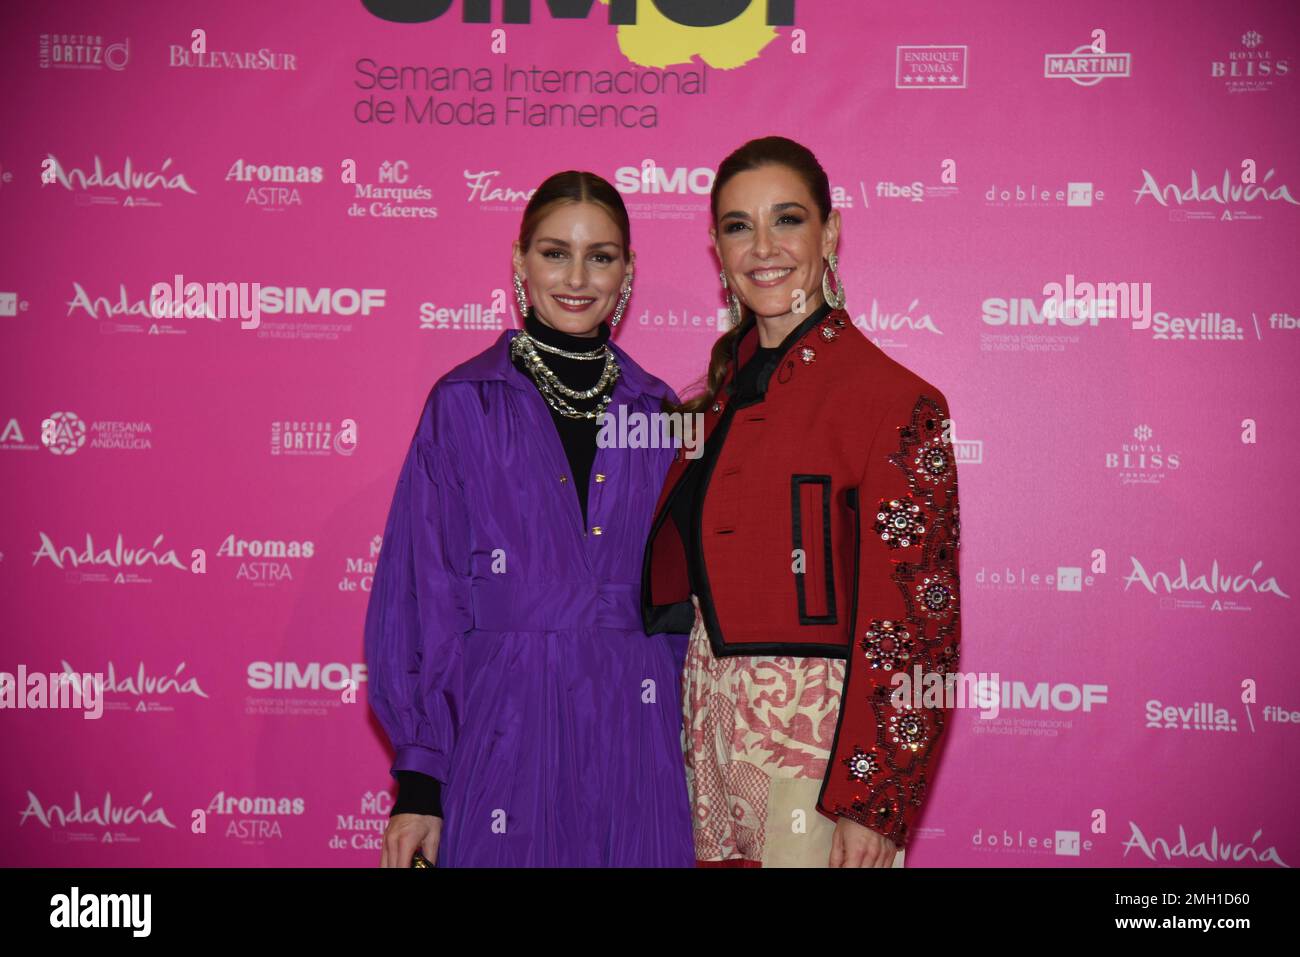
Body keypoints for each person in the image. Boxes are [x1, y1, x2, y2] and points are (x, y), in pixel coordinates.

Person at [642, 136, 962, 868]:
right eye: (737, 225)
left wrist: (877, 799)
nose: (763, 247)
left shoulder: (896, 401)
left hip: (820, 754)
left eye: (786, 219)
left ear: (832, 232)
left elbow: (920, 623)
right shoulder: (717, 402)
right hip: (712, 740)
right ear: (717, 248)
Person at [365, 170, 695, 867]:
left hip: (635, 736)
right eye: (555, 252)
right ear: (519, 260)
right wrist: (421, 781)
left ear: (627, 270)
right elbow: (424, 593)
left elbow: (678, 610)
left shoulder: (661, 412)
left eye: (600, 255)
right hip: (503, 732)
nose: (577, 276)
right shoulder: (464, 404)